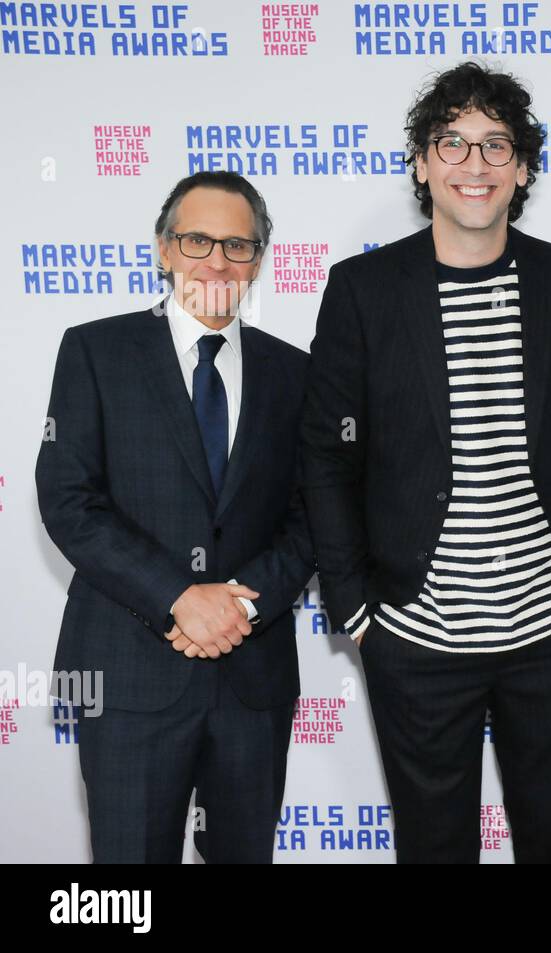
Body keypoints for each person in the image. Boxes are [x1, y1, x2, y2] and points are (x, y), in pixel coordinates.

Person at [299, 61, 551, 863]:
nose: (474, 165)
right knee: (435, 848)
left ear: (524, 168)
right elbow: (326, 456)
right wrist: (358, 611)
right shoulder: (362, 289)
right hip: (416, 633)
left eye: (495, 145)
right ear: (421, 163)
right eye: (453, 143)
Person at [35, 171, 315, 863]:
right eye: (197, 240)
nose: (217, 260)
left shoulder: (299, 373)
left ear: (260, 257)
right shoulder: (96, 351)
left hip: (253, 683)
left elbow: (314, 519)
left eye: (238, 244)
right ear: (163, 249)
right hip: (129, 677)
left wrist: (238, 610)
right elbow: (69, 498)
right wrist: (180, 598)